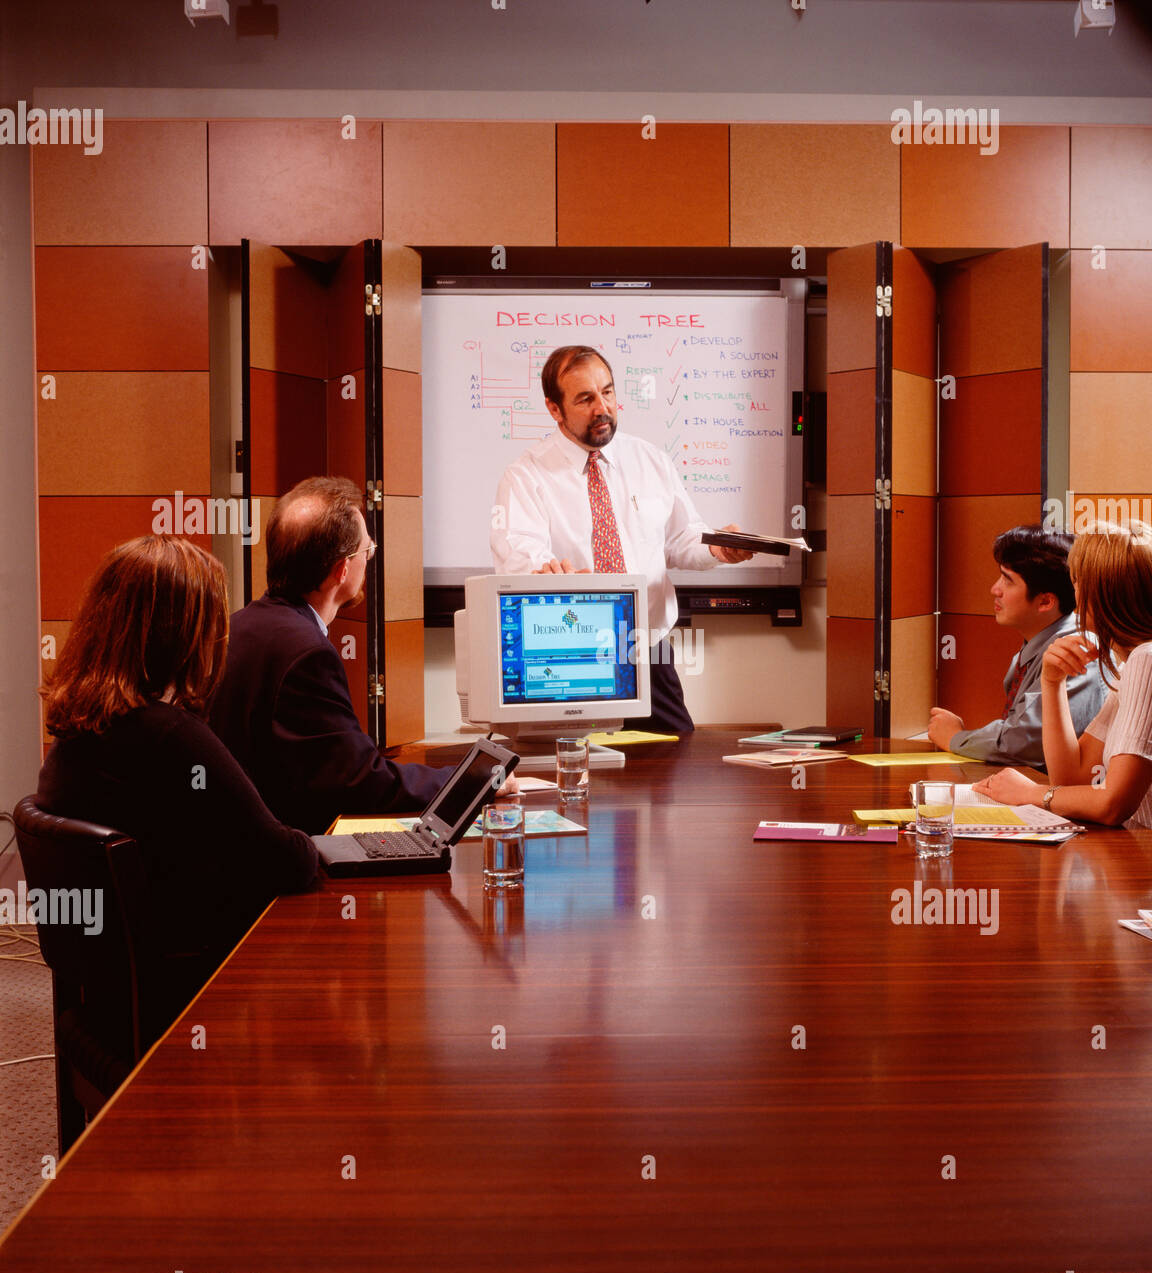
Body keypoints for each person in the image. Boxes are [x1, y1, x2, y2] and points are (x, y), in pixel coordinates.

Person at [37, 535, 318, 1044]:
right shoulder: (170, 736)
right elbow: (288, 860)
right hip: (192, 998)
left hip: (105, 1003)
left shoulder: (77, 731)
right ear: (188, 635)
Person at [489, 345, 754, 733]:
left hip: (648, 652)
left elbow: (681, 537)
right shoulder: (526, 476)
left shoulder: (651, 461)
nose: (602, 407)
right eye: (585, 398)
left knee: (669, 770)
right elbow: (519, 552)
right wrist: (547, 572)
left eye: (608, 392)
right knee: (576, 768)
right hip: (571, 655)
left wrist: (716, 547)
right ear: (554, 409)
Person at [974, 520, 1152, 863]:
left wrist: (1030, 793)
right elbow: (1070, 778)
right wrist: (1052, 681)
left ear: (1105, 594)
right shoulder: (1143, 657)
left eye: (1078, 582)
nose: (1074, 594)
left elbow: (1112, 805)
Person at [209, 476, 451, 834]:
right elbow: (359, 781)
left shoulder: (235, 627)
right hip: (280, 866)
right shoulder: (306, 654)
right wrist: (464, 781)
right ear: (341, 570)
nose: (368, 560)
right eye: (367, 552)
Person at [927, 526, 1105, 770]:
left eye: (1007, 580)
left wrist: (955, 738)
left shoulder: (1078, 651)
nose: (995, 589)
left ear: (1045, 601)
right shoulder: (1035, 647)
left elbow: (1025, 742)